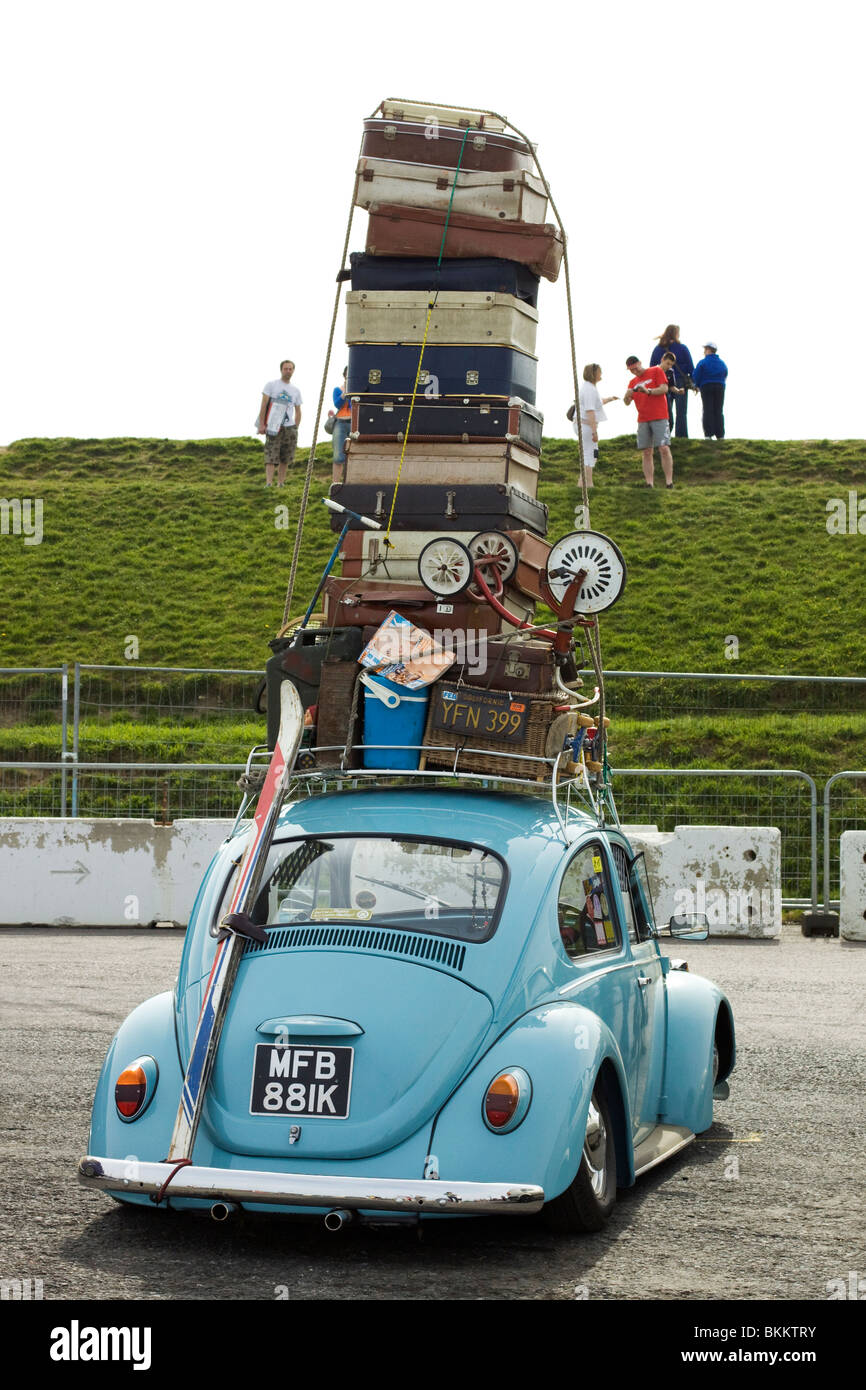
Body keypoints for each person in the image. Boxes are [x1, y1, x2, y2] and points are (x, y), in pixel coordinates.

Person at [623, 354, 674, 488]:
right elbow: (627, 402)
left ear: (640, 363)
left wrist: (648, 391)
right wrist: (626, 397)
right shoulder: (632, 382)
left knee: (663, 447)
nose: (635, 371)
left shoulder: (656, 371)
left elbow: (664, 388)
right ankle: (649, 483)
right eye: (632, 370)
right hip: (643, 419)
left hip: (659, 415)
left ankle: (669, 482)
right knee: (646, 451)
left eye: (636, 367)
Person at [257, 360, 303, 486]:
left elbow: (298, 410)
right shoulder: (271, 385)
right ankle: (269, 483)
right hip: (273, 426)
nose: (288, 371)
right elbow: (264, 404)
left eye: (290, 369)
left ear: (293, 370)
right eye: (285, 368)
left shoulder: (295, 390)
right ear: (281, 370)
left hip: (289, 427)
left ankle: (281, 483)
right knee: (271, 454)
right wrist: (262, 424)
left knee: (285, 456)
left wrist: (295, 427)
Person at [571, 365, 618, 488]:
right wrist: (594, 432)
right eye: (599, 371)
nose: (601, 373)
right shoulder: (589, 389)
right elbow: (590, 411)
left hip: (583, 425)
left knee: (592, 454)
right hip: (585, 426)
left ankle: (582, 483)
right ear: (593, 373)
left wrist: (610, 399)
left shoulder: (589, 388)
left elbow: (597, 402)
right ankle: (588, 485)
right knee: (590, 454)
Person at [650, 325, 694, 437]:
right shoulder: (682, 348)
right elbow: (690, 367)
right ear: (676, 334)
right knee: (681, 412)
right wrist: (694, 382)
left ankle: (665, 437)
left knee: (665, 411)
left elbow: (651, 367)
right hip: (680, 381)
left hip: (662, 381)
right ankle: (682, 436)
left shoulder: (658, 349)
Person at [692, 342, 728, 439]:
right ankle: (720, 435)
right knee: (718, 410)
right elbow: (725, 373)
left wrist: (696, 385)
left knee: (707, 409)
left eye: (705, 349)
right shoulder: (721, 363)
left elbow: (696, 375)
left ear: (708, 350)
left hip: (706, 386)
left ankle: (708, 434)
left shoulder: (703, 362)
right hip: (720, 386)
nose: (704, 352)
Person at [660, 351, 685, 432]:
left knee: (670, 421)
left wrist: (678, 391)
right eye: (668, 363)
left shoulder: (670, 372)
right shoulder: (654, 371)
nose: (669, 366)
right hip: (655, 398)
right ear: (662, 360)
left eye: (671, 365)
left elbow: (671, 386)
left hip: (666, 398)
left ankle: (666, 439)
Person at [331, 369, 351, 467]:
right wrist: (345, 393)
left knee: (354, 453)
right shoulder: (337, 389)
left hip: (354, 422)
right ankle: (336, 482)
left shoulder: (359, 389)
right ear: (344, 376)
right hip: (340, 422)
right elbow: (337, 404)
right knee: (338, 456)